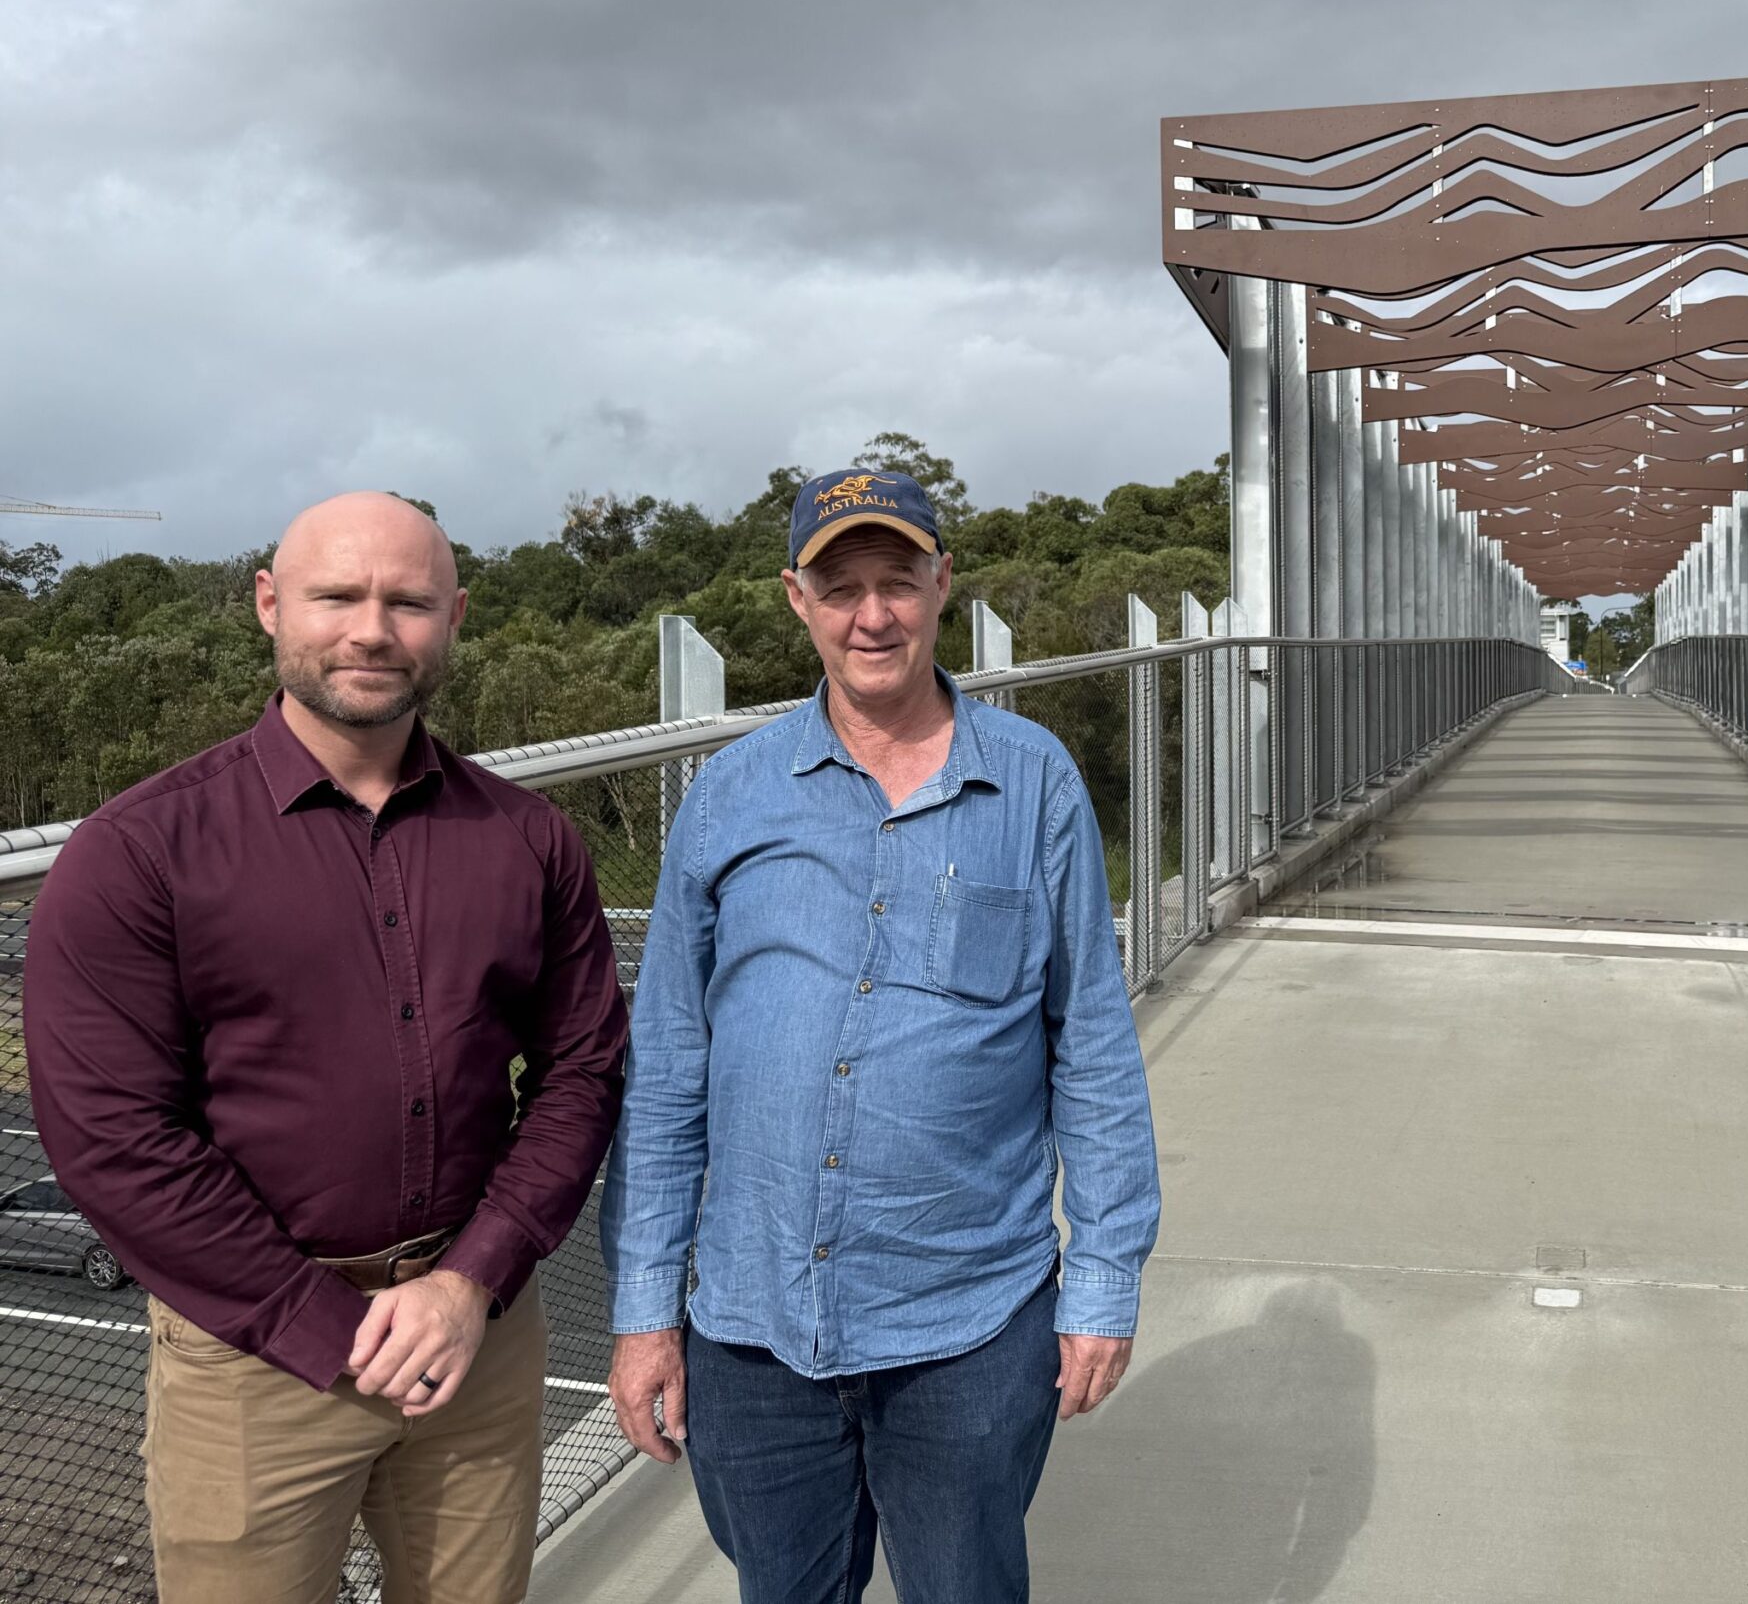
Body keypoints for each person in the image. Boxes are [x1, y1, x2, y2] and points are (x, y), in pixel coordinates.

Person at [24, 492, 630, 1604]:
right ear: (268, 605)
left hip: (474, 1346)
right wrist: (321, 1325)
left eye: (406, 601)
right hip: (250, 1361)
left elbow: (582, 1070)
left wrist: (469, 1282)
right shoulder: (138, 853)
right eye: (336, 596)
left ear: (454, 616)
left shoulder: (529, 840)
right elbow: (113, 1138)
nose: (370, 629)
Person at [601, 467, 1160, 1604]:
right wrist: (645, 1311)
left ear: (941, 585)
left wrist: (1102, 1280)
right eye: (839, 585)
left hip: (967, 1323)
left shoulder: (1034, 783)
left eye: (898, 581)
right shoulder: (729, 794)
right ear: (795, 599)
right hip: (754, 1330)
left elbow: (1090, 1047)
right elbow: (666, 1068)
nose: (873, 615)